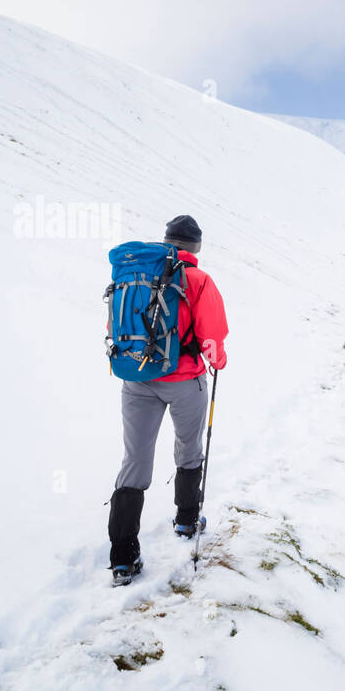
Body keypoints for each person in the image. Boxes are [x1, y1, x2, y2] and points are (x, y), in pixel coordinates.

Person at [108, 215, 228, 575]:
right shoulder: (199, 280)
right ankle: (187, 521)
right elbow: (212, 340)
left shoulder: (135, 276)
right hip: (184, 381)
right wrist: (218, 360)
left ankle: (123, 557)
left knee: (135, 460)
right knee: (188, 447)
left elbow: (116, 326)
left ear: (167, 241)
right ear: (196, 249)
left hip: (137, 378)